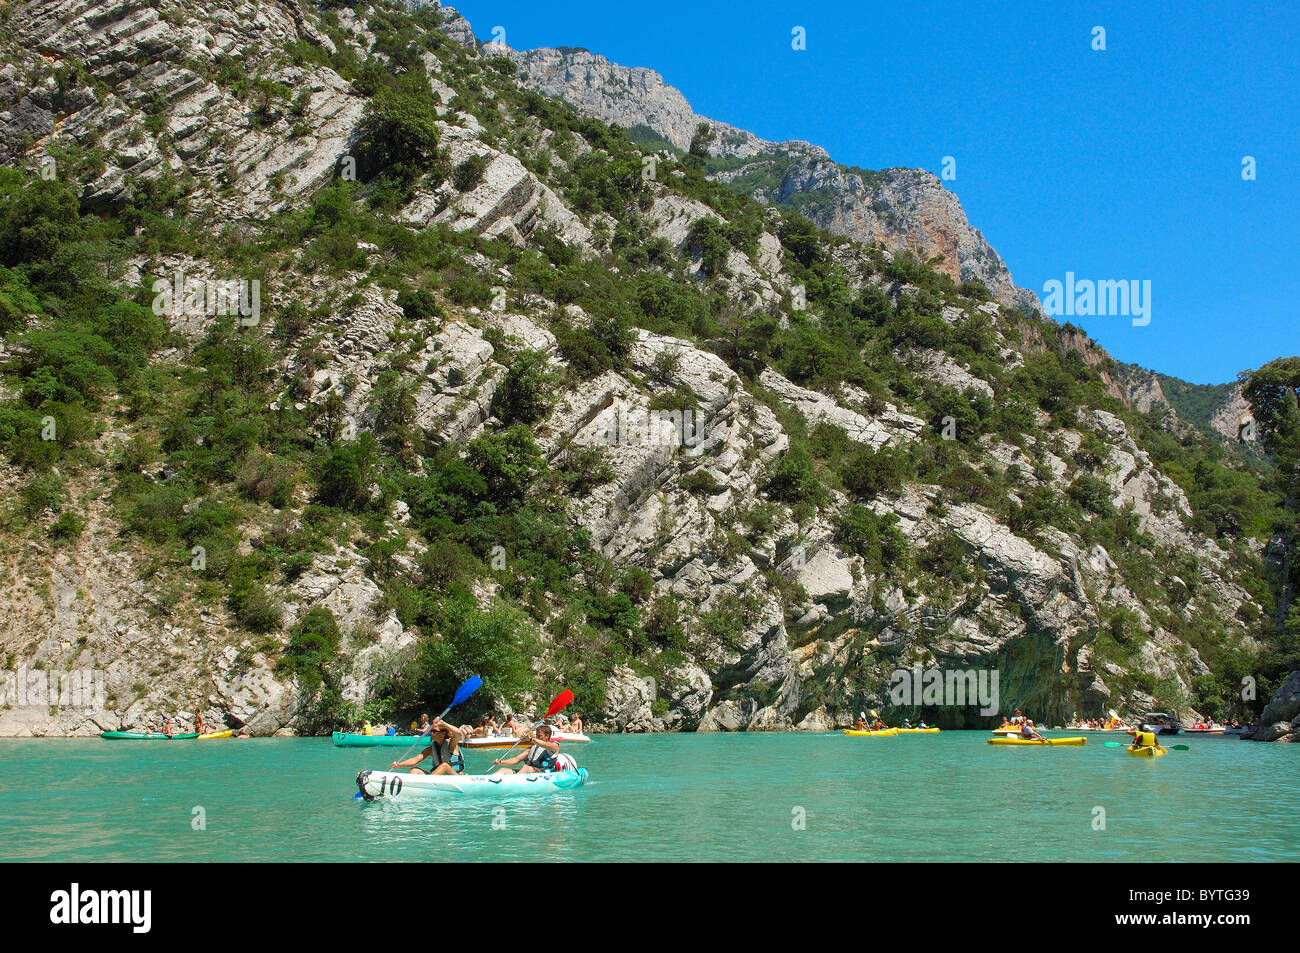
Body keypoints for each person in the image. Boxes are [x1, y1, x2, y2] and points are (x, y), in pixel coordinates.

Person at [389, 718, 465, 775]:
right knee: (414, 770)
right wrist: (399, 764)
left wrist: (442, 723)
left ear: (443, 733)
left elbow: (458, 734)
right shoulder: (431, 749)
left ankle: (429, 781)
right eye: (431, 731)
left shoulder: (451, 744)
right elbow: (415, 760)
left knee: (444, 766)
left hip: (455, 776)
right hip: (438, 778)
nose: (431, 733)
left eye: (434, 731)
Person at [491, 725, 559, 775]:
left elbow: (546, 745)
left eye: (539, 736)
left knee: (525, 767)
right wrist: (500, 762)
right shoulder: (531, 748)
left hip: (544, 773)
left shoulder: (554, 746)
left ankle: (513, 783)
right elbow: (516, 759)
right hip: (529, 772)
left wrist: (530, 739)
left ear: (547, 736)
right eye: (536, 735)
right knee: (502, 770)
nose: (537, 737)